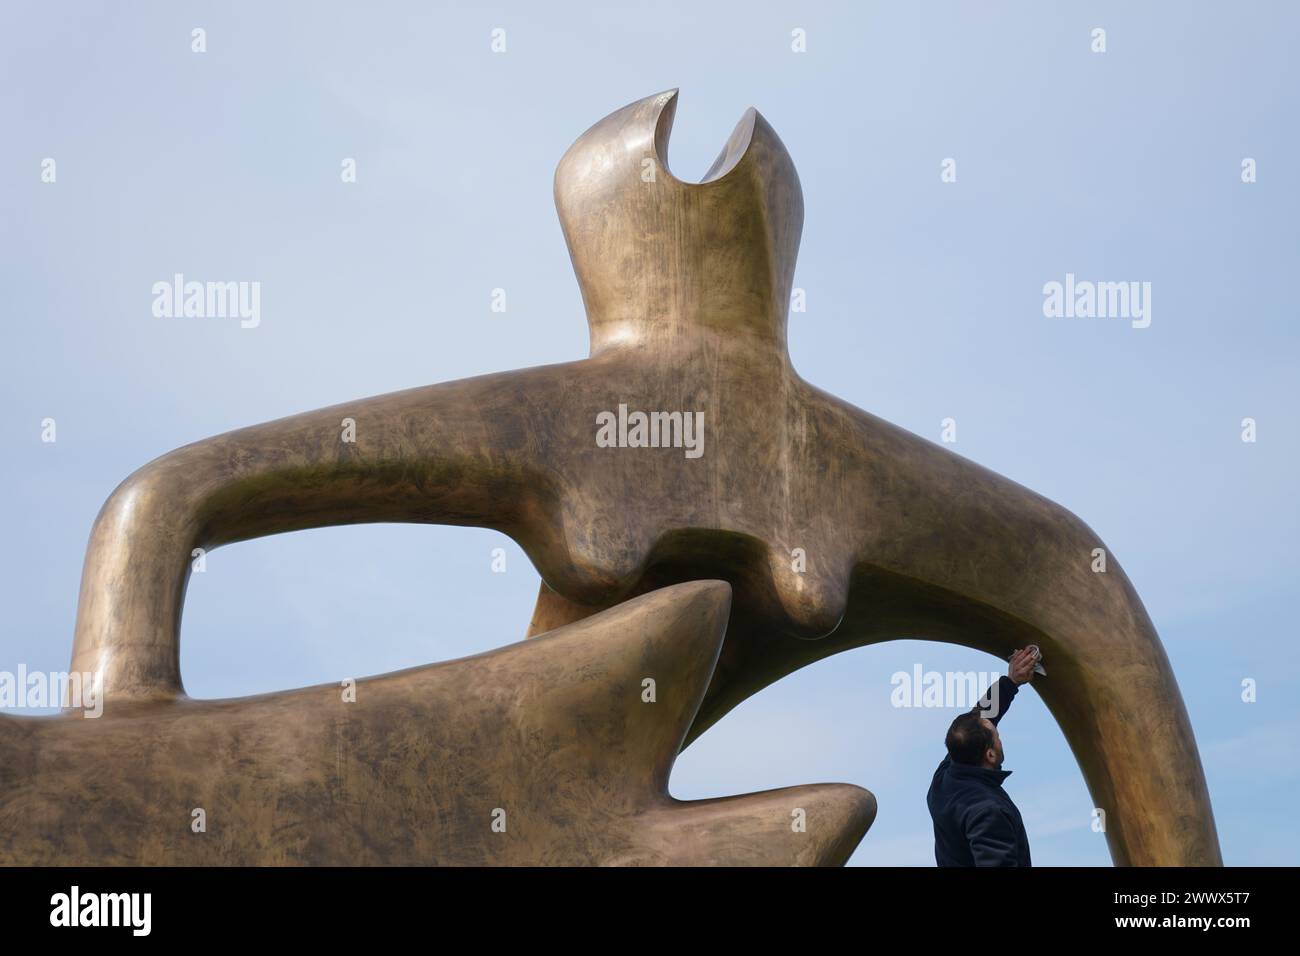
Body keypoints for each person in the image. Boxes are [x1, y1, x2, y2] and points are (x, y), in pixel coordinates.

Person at [927, 648, 1039, 866]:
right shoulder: (988, 811)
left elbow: (980, 719)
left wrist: (1011, 681)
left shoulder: (944, 781)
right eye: (997, 736)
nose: (1000, 737)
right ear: (990, 754)